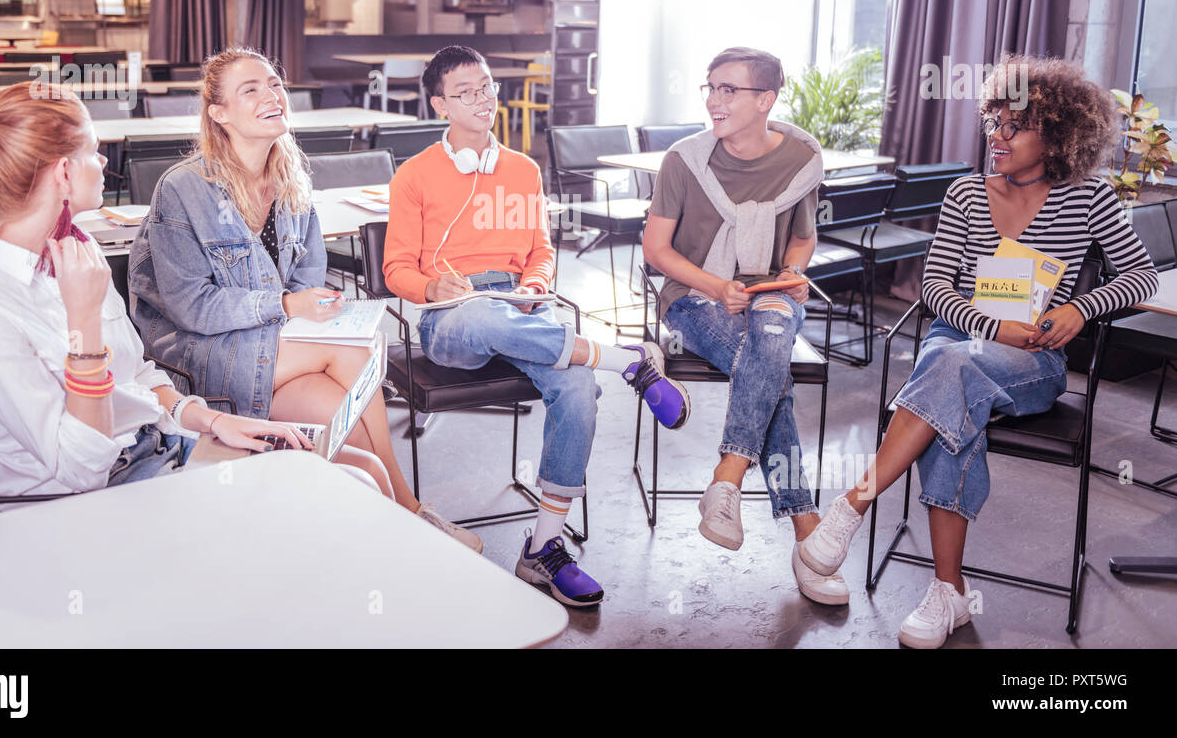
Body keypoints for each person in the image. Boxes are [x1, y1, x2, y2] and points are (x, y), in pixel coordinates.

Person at [798, 55, 1158, 648]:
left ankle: (851, 507)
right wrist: (988, 324)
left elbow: (1141, 276)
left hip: (1033, 362)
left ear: (1057, 134)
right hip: (960, 341)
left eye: (1014, 126)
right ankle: (948, 593)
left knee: (946, 369)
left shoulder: (1089, 197)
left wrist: (1078, 309)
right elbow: (935, 287)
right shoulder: (965, 192)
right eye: (993, 121)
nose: (997, 135)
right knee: (950, 391)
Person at [129, 47, 480, 550]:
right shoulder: (183, 188)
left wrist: (308, 306)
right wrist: (288, 308)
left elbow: (308, 275)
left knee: (345, 418)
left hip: (278, 354)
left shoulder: (292, 181)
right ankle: (412, 512)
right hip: (195, 358)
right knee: (355, 349)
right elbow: (191, 309)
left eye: (274, 84)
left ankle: (385, 547)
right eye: (251, 89)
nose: (272, 95)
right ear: (218, 114)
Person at [383, 44, 692, 607]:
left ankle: (543, 550)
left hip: (522, 310)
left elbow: (541, 251)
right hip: (453, 318)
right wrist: (432, 288)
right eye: (463, 93)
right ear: (438, 106)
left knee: (576, 384)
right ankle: (625, 360)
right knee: (482, 312)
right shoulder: (413, 176)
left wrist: (533, 284)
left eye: (485, 87)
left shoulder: (523, 170)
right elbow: (395, 269)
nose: (480, 100)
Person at [0, 82, 322, 499]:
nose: (104, 160)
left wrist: (210, 420)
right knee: (307, 502)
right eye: (93, 150)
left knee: (349, 474)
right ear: (64, 173)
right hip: (88, 502)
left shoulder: (75, 248)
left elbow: (136, 376)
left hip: (160, 448)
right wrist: (85, 320)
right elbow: (81, 469)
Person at [642, 45, 850, 606]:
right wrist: (716, 287)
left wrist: (791, 272)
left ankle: (727, 479)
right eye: (710, 87)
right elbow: (656, 250)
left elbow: (803, 237)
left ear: (765, 100)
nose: (713, 100)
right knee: (771, 370)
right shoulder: (685, 161)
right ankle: (807, 533)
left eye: (728, 90)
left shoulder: (801, 158)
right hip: (694, 300)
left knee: (772, 335)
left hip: (771, 294)